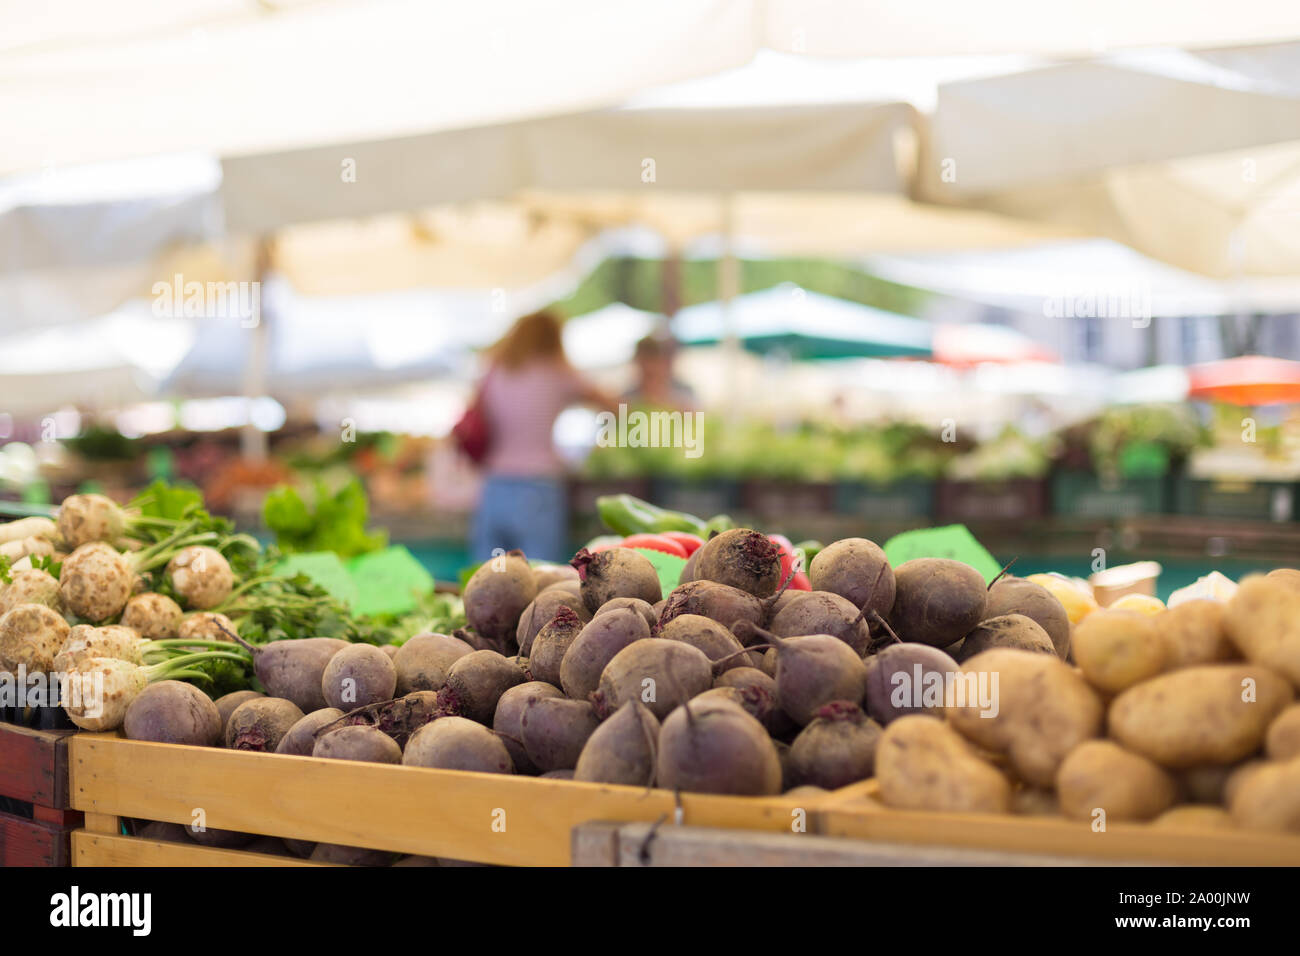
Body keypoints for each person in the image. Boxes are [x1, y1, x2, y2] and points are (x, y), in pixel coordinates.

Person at [469, 310, 611, 562]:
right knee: (539, 577)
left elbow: (473, 417)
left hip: (495, 485)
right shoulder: (557, 372)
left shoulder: (494, 371)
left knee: (488, 576)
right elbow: (611, 404)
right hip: (539, 487)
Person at [624, 334, 695, 410]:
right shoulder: (627, 397)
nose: (650, 366)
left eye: (654, 358)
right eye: (645, 359)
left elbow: (696, 414)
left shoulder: (684, 392)